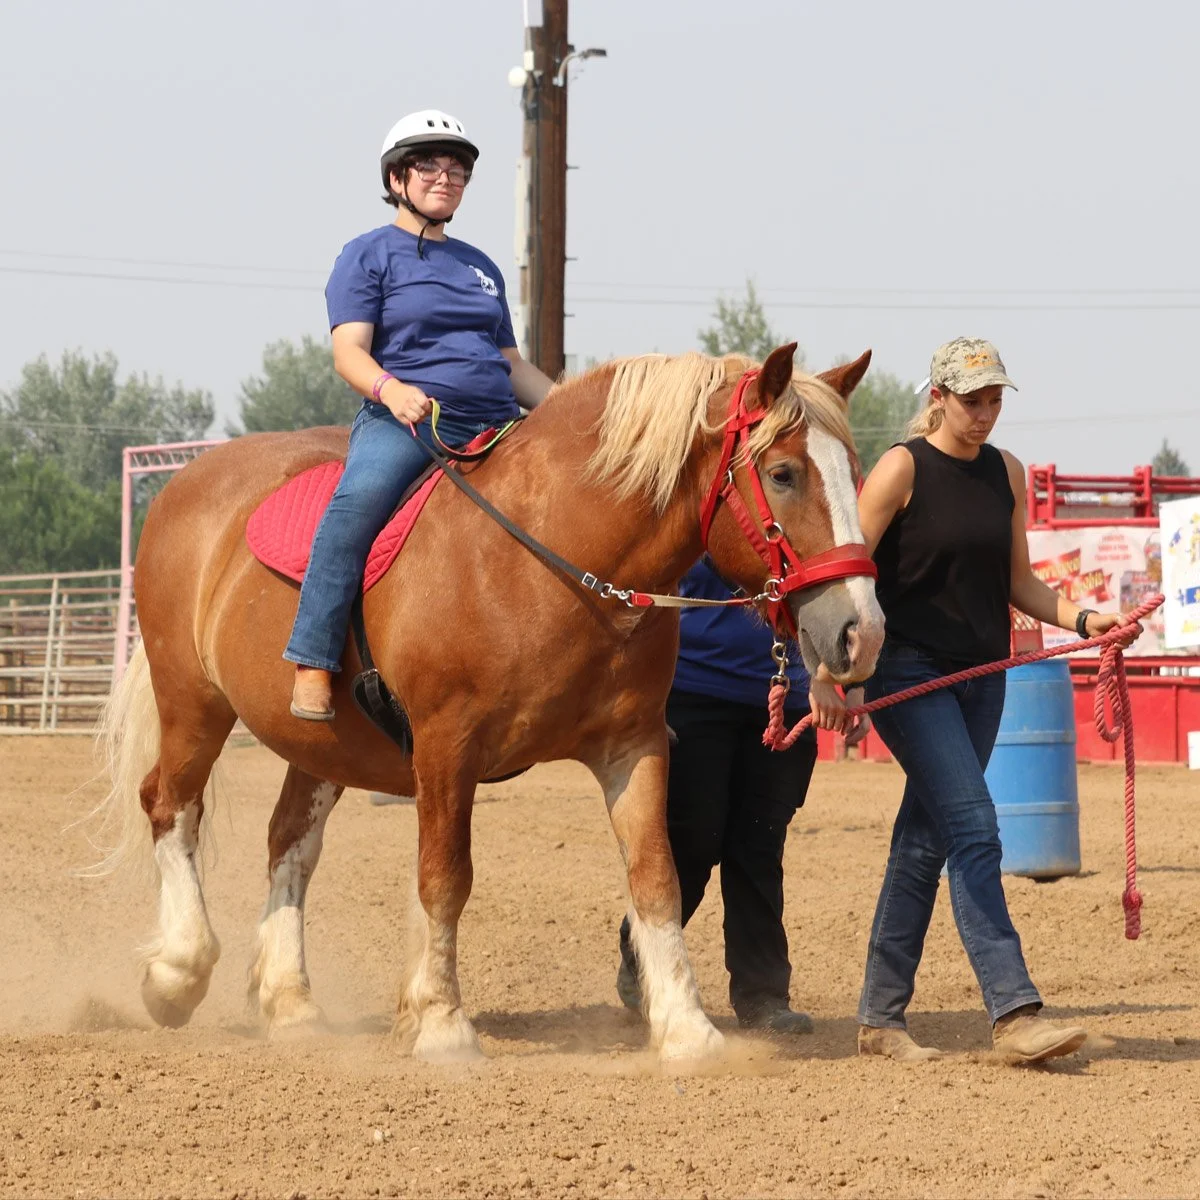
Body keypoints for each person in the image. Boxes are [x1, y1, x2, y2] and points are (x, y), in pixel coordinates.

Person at [810, 337, 1137, 1064]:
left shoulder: (1007, 473)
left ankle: (880, 1020)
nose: (985, 413)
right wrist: (827, 672)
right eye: (972, 400)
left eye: (994, 400)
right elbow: (844, 573)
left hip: (984, 677)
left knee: (925, 841)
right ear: (938, 398)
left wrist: (1086, 619)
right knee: (975, 828)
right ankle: (1014, 1012)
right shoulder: (901, 469)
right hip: (909, 674)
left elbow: (1019, 582)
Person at [286, 110, 554, 719]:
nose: (445, 178)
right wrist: (389, 389)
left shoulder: (481, 266)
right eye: (429, 166)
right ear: (396, 178)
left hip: (499, 425)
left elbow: (511, 364)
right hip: (410, 422)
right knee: (358, 505)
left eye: (457, 170)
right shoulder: (366, 254)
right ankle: (313, 658)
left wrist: (569, 411)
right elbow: (348, 352)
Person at [615, 557, 870, 1033]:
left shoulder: (806, 516)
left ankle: (763, 998)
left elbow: (839, 587)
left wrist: (850, 683)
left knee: (759, 849)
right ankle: (640, 954)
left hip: (786, 695)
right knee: (692, 843)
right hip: (691, 689)